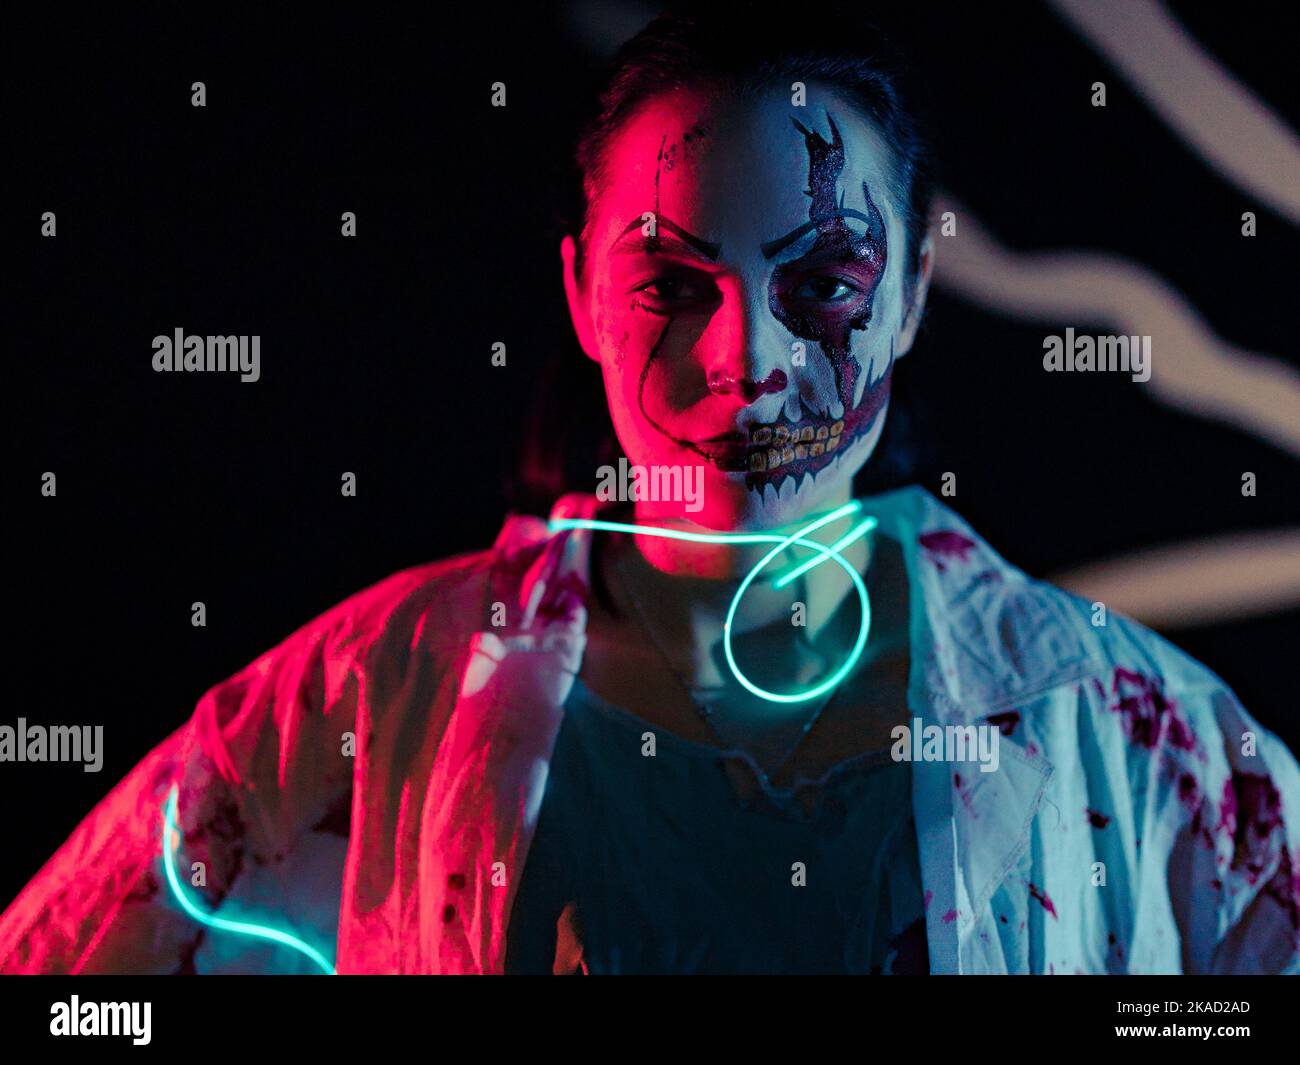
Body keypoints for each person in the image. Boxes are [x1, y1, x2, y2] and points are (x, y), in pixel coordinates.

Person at [2, 13, 1297, 975]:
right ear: (577, 295)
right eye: (673, 285)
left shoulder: (1147, 740)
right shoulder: (356, 701)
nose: (747, 362)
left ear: (907, 295)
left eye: (823, 287)